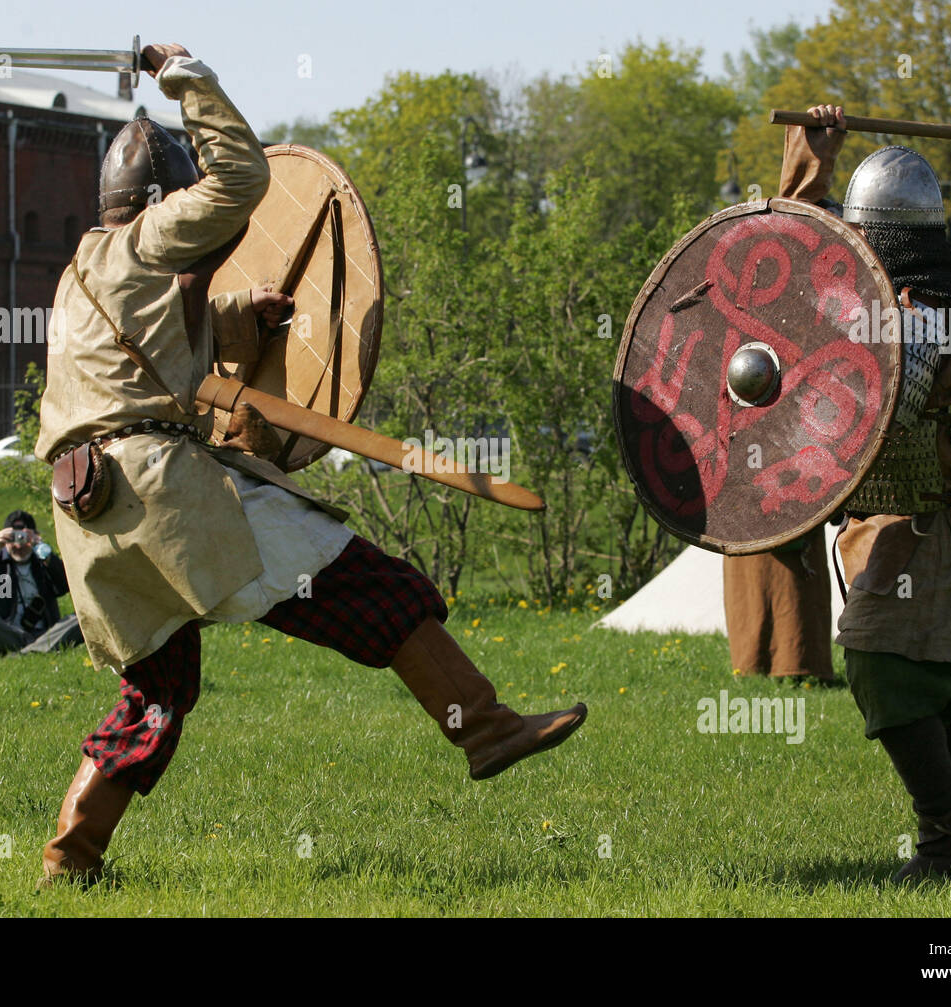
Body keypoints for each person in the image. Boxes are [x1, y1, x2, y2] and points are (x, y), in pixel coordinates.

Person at [33, 43, 586, 887]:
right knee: (370, 587)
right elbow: (244, 179)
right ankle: (484, 725)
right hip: (160, 490)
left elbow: (150, 348)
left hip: (89, 516)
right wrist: (185, 73)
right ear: (162, 202)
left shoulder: (81, 275)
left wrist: (238, 315)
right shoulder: (151, 239)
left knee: (158, 688)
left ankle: (69, 859)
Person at [779, 105, 951, 882]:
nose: (854, 249)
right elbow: (814, 253)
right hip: (916, 517)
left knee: (881, 662)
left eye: (865, 236)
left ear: (887, 241)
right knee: (932, 672)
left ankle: (945, 838)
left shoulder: (925, 320)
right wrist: (818, 157)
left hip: (930, 520)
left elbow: (880, 408)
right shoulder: (893, 303)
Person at [0, 509, 83, 655]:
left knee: (83, 617)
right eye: (13, 538)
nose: (18, 545)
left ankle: (26, 652)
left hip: (45, 633)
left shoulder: (43, 561)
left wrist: (45, 553)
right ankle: (36, 650)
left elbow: (69, 584)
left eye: (23, 538)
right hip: (5, 634)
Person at [722, 529, 833, 682]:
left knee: (796, 596)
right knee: (751, 590)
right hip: (743, 530)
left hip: (799, 524)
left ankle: (800, 666)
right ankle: (753, 665)